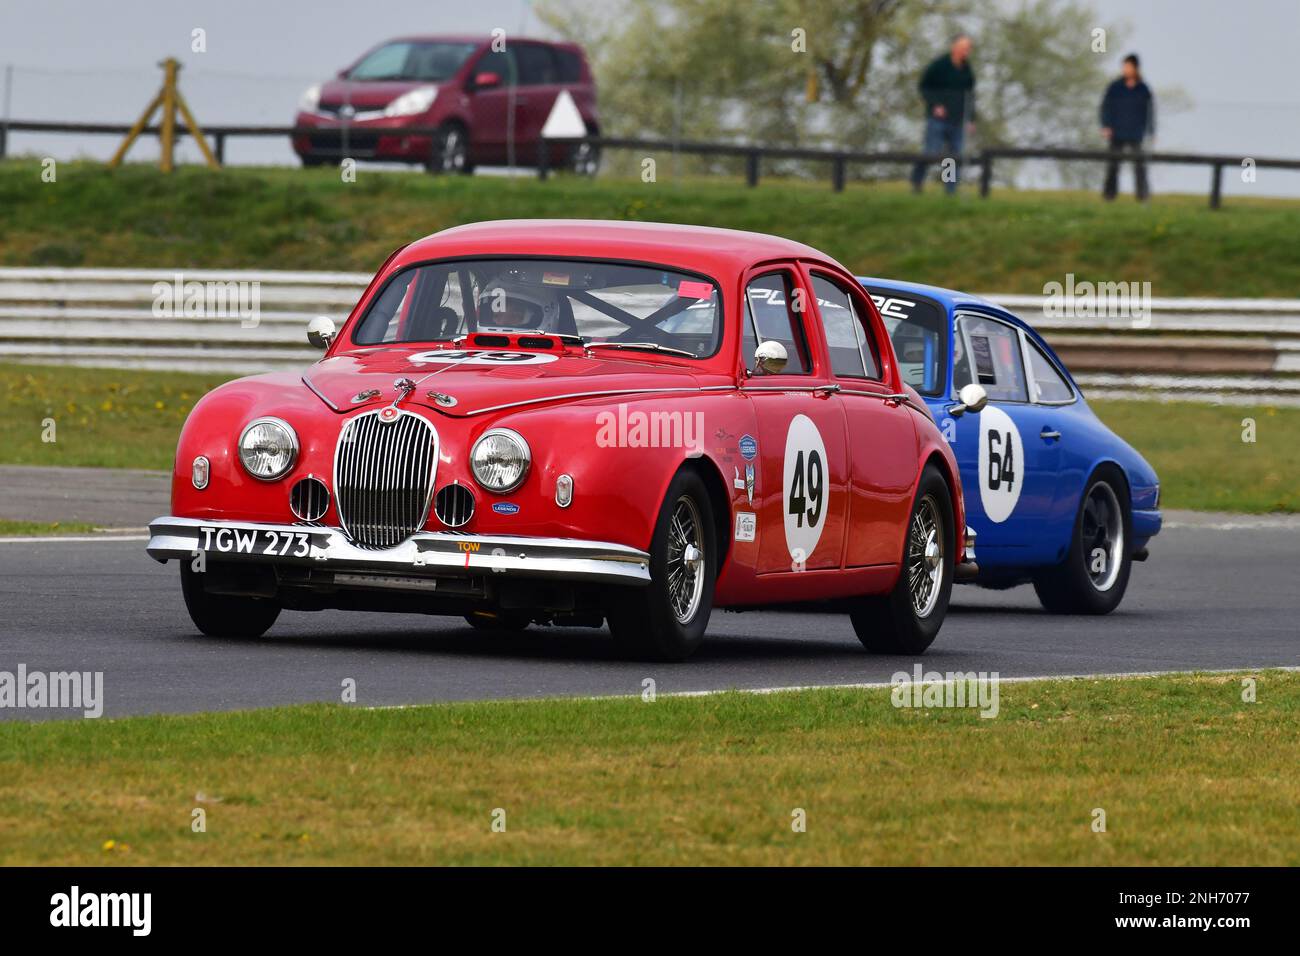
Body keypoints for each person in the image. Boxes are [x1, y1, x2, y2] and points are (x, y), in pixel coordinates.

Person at [911, 34, 976, 195]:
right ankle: (917, 183)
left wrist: (971, 119)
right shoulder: (939, 66)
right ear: (954, 47)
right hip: (938, 119)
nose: (966, 52)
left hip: (958, 119)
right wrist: (935, 105)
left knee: (952, 155)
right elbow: (924, 87)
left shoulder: (967, 70)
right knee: (930, 152)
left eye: (968, 49)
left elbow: (970, 96)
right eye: (963, 48)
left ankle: (950, 189)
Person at [1100, 54, 1155, 201]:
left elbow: (1150, 112)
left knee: (1139, 166)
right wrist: (1106, 125)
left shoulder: (1143, 89)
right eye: (1124, 66)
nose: (1125, 69)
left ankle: (1143, 196)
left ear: (1135, 68)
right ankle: (1109, 195)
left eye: (1128, 66)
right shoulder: (1115, 87)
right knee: (1113, 165)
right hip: (1116, 132)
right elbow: (1105, 107)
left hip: (1136, 132)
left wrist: (1151, 131)